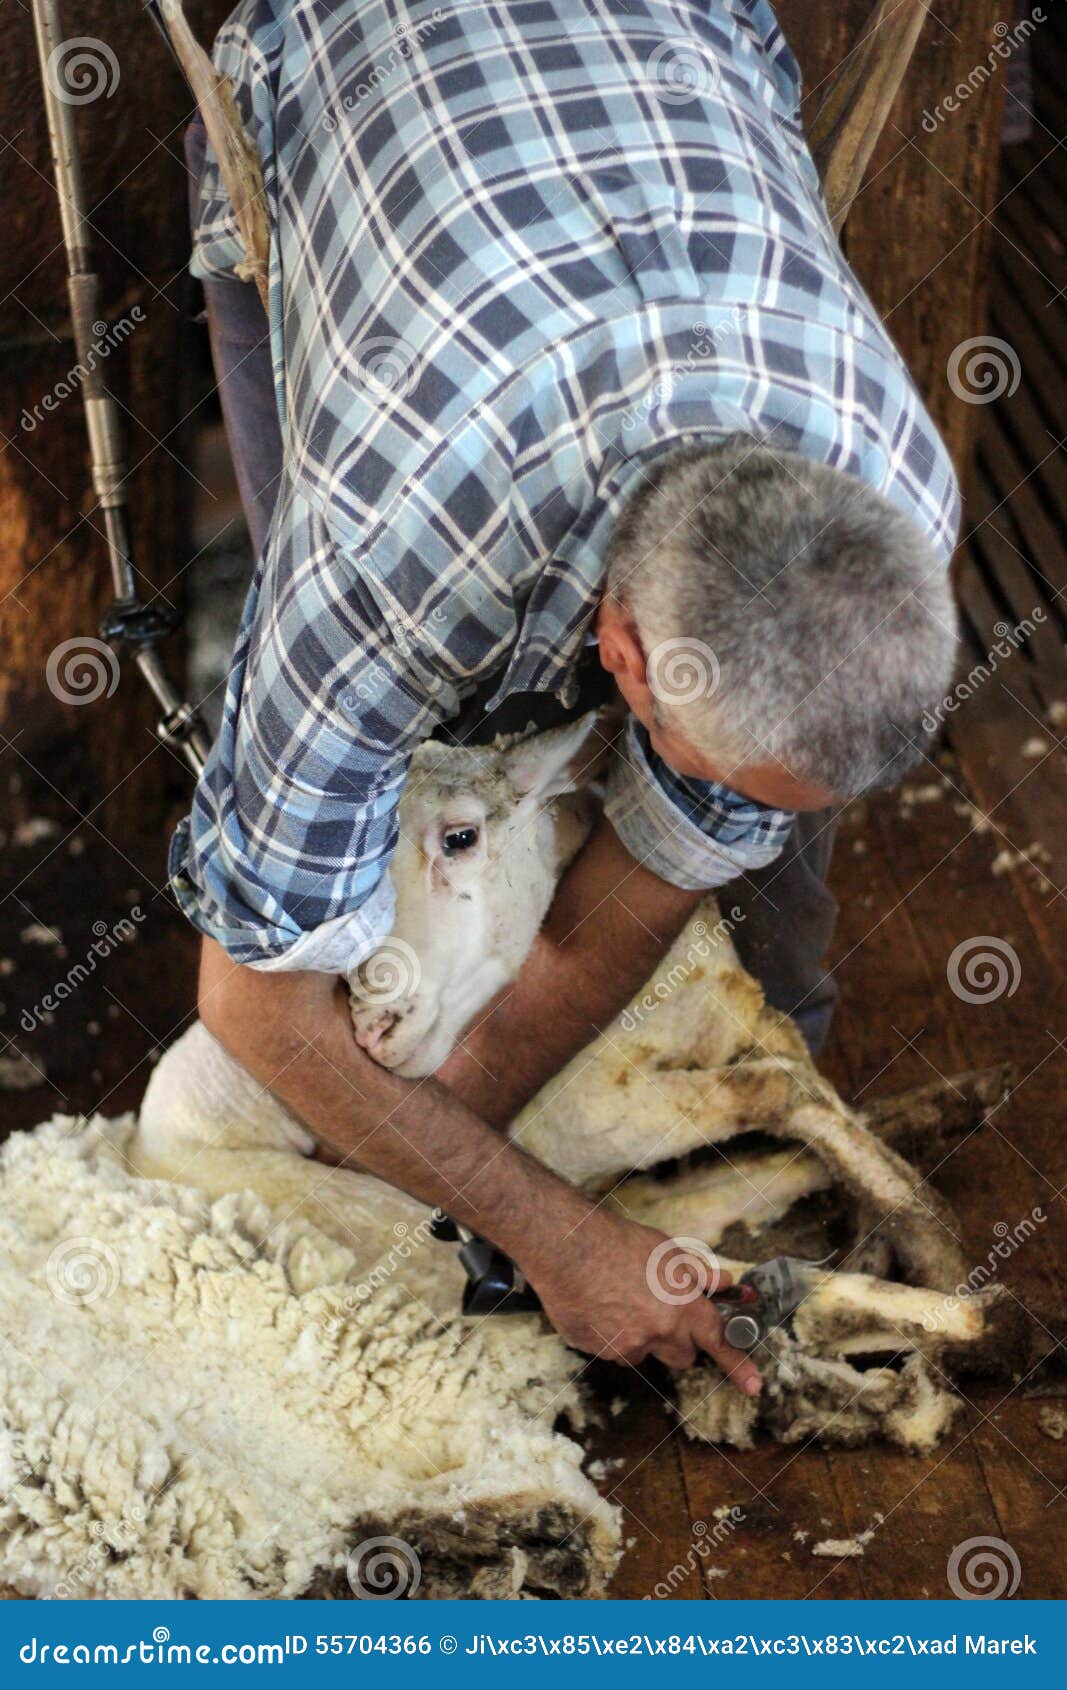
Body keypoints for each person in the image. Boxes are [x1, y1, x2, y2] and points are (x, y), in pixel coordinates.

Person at [174, 0, 960, 1395]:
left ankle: (760, 1085)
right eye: (698, 763)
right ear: (625, 647)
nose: (716, 808)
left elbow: (640, 888)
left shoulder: (898, 487)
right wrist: (543, 1226)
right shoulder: (393, 546)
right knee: (354, 804)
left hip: (666, 39)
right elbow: (252, 1002)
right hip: (339, 75)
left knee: (734, 917)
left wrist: (440, 1174)